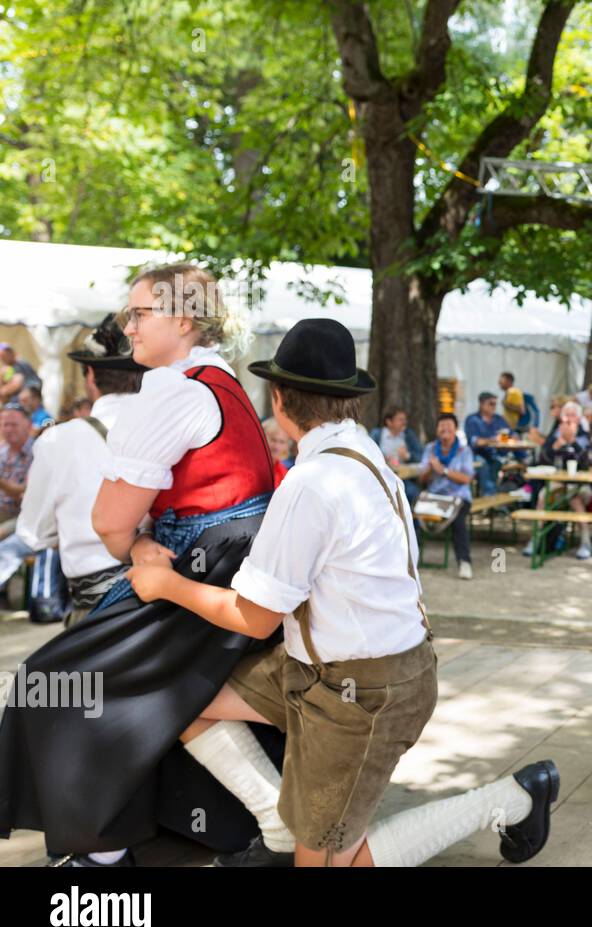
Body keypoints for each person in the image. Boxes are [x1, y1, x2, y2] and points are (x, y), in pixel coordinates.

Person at [125, 318, 559, 867]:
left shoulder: (313, 482)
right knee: (185, 701)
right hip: (326, 670)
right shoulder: (360, 452)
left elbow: (255, 618)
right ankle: (279, 825)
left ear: (279, 399)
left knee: (330, 865)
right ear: (349, 399)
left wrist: (165, 582)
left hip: (367, 690)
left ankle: (510, 799)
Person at [0, 262, 283, 867]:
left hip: (200, 571)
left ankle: (101, 852)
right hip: (230, 567)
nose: (129, 326)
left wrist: (135, 548)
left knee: (52, 682)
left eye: (139, 313)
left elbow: (109, 521)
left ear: (182, 320)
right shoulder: (222, 380)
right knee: (104, 684)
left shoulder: (175, 390)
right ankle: (242, 823)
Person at [0, 315, 147, 625]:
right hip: (167, 603)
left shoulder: (58, 439)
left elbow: (34, 532)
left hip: (96, 606)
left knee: (59, 675)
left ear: (90, 375)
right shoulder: (168, 429)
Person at [535, 401, 592, 559]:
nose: (569, 419)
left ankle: (585, 541)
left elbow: (587, 462)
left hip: (580, 485)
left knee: (575, 498)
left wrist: (572, 442)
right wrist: (555, 446)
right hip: (559, 482)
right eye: (566, 415)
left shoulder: (583, 436)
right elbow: (542, 459)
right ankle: (535, 539)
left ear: (579, 417)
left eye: (573, 415)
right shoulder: (555, 435)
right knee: (543, 496)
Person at [420, 411, 476, 580]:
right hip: (434, 496)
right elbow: (421, 479)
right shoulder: (430, 449)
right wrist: (431, 467)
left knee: (458, 522)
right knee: (411, 514)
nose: (444, 429)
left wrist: (443, 471)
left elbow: (466, 478)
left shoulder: (464, 451)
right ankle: (409, 559)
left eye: (448, 426)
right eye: (441, 426)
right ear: (437, 430)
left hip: (459, 497)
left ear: (455, 430)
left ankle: (464, 562)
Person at [370, 407, 423, 505]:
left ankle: (410, 519)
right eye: (400, 419)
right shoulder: (377, 434)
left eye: (405, 419)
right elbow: (368, 454)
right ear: (389, 422)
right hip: (381, 477)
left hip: (402, 477)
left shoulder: (408, 434)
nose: (404, 422)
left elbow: (421, 457)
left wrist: (407, 456)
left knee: (414, 493)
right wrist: (382, 459)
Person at [464, 391, 512, 495]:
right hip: (476, 454)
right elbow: (475, 442)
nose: (494, 407)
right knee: (483, 464)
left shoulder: (499, 419)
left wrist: (513, 436)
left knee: (498, 462)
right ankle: (488, 496)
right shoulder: (472, 419)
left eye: (495, 404)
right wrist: (494, 439)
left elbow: (510, 433)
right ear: (481, 404)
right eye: (491, 404)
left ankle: (492, 495)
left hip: (494, 454)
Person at [0, 405, 34, 539]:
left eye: (14, 425)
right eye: (5, 424)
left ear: (29, 426)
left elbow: (28, 499)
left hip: (22, 517)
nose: (8, 429)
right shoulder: (2, 451)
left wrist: (5, 485)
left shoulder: (38, 453)